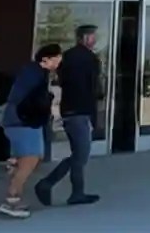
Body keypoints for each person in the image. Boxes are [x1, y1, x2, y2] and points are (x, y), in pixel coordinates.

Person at [35, 25, 101, 207]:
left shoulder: (67, 58)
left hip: (68, 110)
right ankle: (50, 184)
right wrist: (95, 117)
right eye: (93, 36)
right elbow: (93, 89)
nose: (95, 40)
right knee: (81, 155)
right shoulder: (90, 59)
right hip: (82, 111)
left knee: (78, 154)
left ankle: (75, 192)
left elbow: (61, 80)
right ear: (85, 38)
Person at [0, 44, 62, 219]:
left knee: (30, 158)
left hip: (21, 121)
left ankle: (13, 166)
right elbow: (24, 99)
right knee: (31, 159)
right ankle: (12, 199)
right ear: (46, 59)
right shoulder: (34, 74)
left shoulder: (32, 72)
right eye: (56, 58)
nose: (58, 62)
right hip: (23, 122)